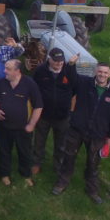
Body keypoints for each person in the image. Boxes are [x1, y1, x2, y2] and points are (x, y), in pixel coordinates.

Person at [52, 62, 110, 204]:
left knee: (93, 163)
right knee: (68, 157)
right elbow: (71, 78)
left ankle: (92, 190)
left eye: (105, 72)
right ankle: (62, 182)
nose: (102, 74)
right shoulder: (84, 83)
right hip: (77, 129)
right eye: (100, 71)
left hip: (98, 133)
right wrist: (71, 65)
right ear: (95, 72)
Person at [0, 59, 43, 186]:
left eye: (8, 69)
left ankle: (26, 175)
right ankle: (4, 174)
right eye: (5, 68)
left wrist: (31, 125)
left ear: (17, 71)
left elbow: (38, 106)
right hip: (4, 126)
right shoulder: (2, 83)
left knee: (25, 152)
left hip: (23, 128)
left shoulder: (29, 84)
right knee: (4, 151)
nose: (4, 71)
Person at [31, 48, 79, 176]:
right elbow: (34, 88)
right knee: (39, 141)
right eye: (56, 60)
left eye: (61, 60)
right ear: (49, 59)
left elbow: (75, 87)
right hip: (43, 114)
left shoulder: (68, 70)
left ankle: (58, 166)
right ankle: (36, 163)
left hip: (62, 116)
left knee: (61, 144)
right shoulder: (41, 71)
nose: (59, 63)